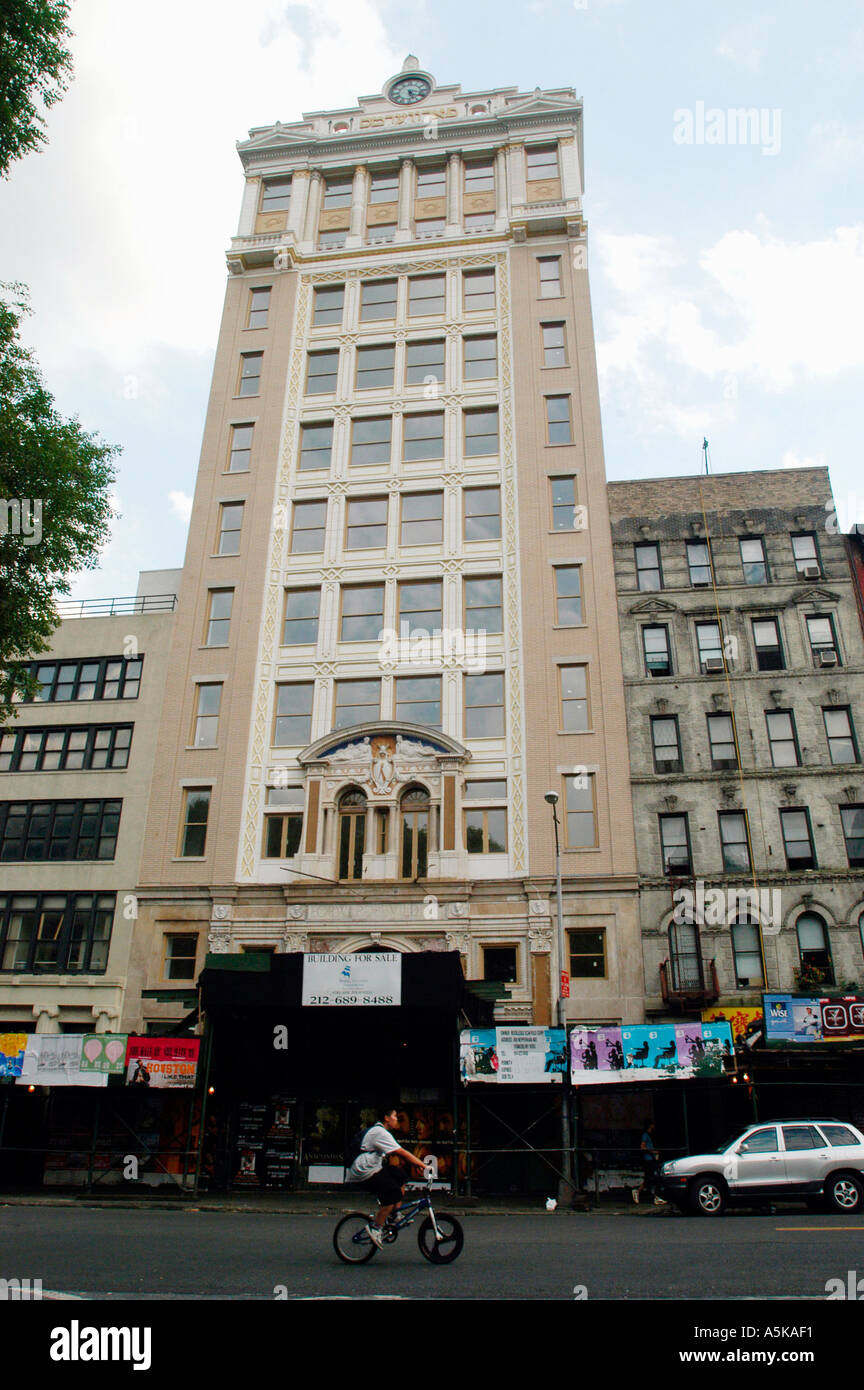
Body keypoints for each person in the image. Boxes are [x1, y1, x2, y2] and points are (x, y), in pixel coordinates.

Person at [345, 1106, 428, 1249]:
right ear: (386, 1118)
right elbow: (401, 1152)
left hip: (373, 1167)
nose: (397, 1121)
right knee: (392, 1192)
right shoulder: (380, 1133)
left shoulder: (382, 1132)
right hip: (363, 1171)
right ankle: (376, 1228)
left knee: (400, 1175)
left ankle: (394, 1214)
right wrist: (423, 1165)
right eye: (395, 1117)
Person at [634, 1122, 666, 1205]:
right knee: (650, 1177)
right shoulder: (645, 1135)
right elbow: (643, 1147)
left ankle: (655, 1196)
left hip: (650, 1158)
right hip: (648, 1159)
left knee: (652, 1177)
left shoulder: (649, 1136)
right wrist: (653, 1152)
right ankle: (638, 1191)